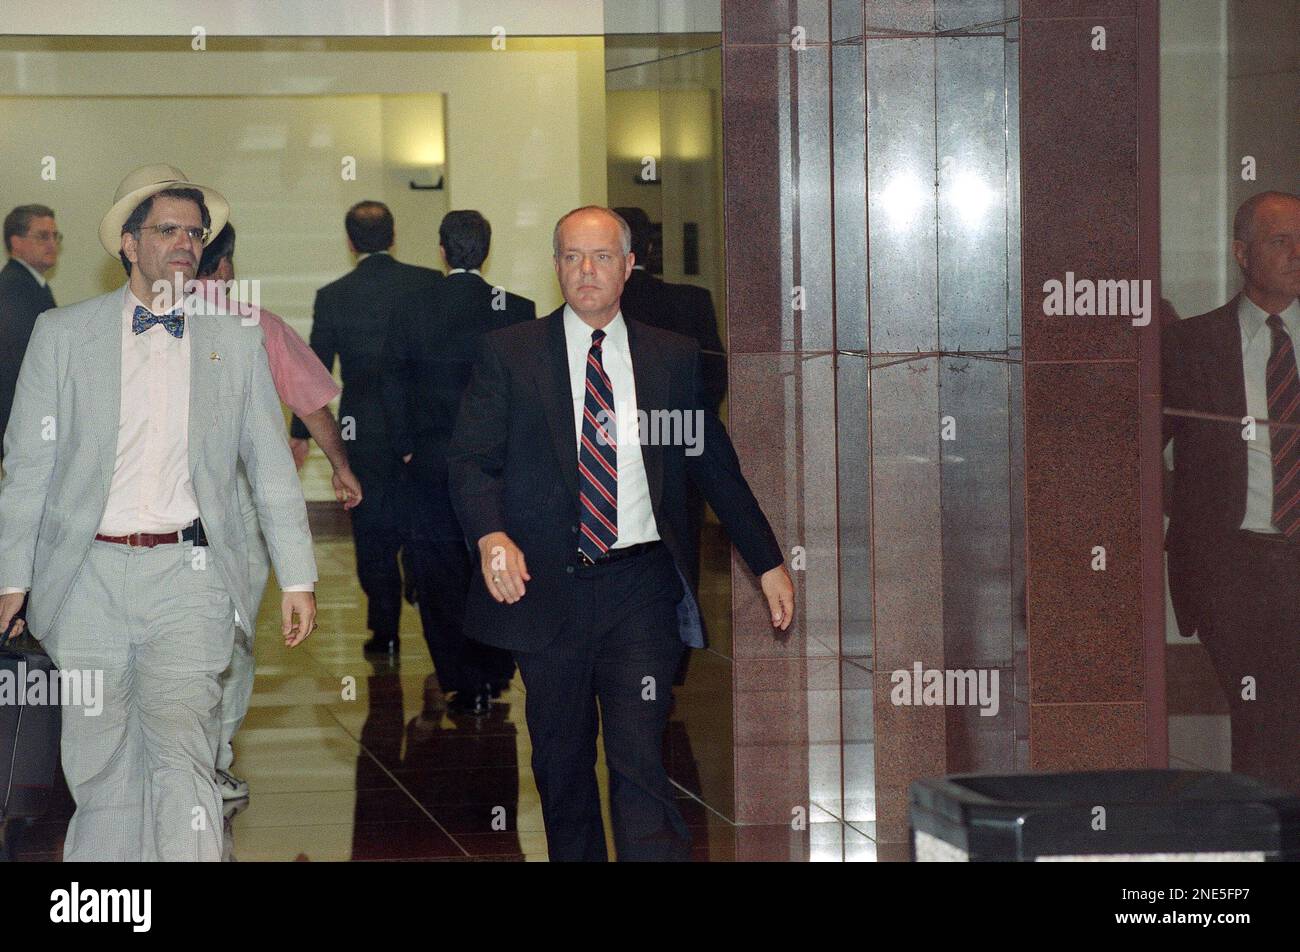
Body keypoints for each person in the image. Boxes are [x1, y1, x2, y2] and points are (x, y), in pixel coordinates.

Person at [448, 206, 795, 861]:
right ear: (556, 266)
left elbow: (712, 462)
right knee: (561, 758)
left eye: (602, 256)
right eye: (573, 256)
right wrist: (492, 535)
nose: (587, 270)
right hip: (546, 589)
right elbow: (470, 460)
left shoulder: (669, 357)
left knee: (640, 757)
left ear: (629, 267)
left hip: (640, 586)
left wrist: (767, 559)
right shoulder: (512, 355)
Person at [0, 164, 319, 861]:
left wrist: (298, 577)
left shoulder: (233, 340)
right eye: (167, 230)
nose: (185, 244)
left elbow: (269, 465)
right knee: (99, 761)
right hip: (84, 581)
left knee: (184, 751)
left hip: (190, 574)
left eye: (195, 233)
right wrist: (11, 581)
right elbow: (26, 470)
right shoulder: (62, 335)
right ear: (128, 243)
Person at [195, 222, 363, 800]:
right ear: (224, 266)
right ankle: (211, 761)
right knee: (234, 627)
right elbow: (314, 404)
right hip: (238, 496)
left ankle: (168, 764)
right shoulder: (255, 325)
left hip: (150, 509)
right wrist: (340, 466)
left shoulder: (135, 320)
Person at [1163, 189, 1300, 794]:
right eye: (1282, 240)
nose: (1298, 253)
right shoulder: (1193, 346)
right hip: (1235, 563)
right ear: (1242, 254)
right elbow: (1141, 448)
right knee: (1263, 711)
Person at [381, 210, 533, 714]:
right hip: (496, 464)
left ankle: (457, 678)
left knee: (439, 570)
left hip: (431, 461)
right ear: (485, 251)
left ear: (441, 250)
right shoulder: (515, 309)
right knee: (492, 559)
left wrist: (405, 444)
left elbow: (391, 381)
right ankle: (494, 671)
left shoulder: (410, 307)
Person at [292, 201, 442, 655]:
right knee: (426, 518)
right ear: (394, 236)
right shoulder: (429, 285)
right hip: (422, 431)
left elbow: (314, 373)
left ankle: (385, 630)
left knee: (372, 528)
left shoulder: (334, 295)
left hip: (365, 432)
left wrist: (301, 433)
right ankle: (422, 583)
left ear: (350, 241)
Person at [612, 206, 726, 413]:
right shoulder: (693, 301)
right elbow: (714, 374)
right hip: (682, 426)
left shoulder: (593, 306)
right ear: (650, 248)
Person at [0, 204, 59, 464]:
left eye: (55, 236)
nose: (52, 243)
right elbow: (30, 361)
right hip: (23, 421)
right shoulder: (13, 288)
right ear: (16, 242)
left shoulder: (31, 283)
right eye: (42, 236)